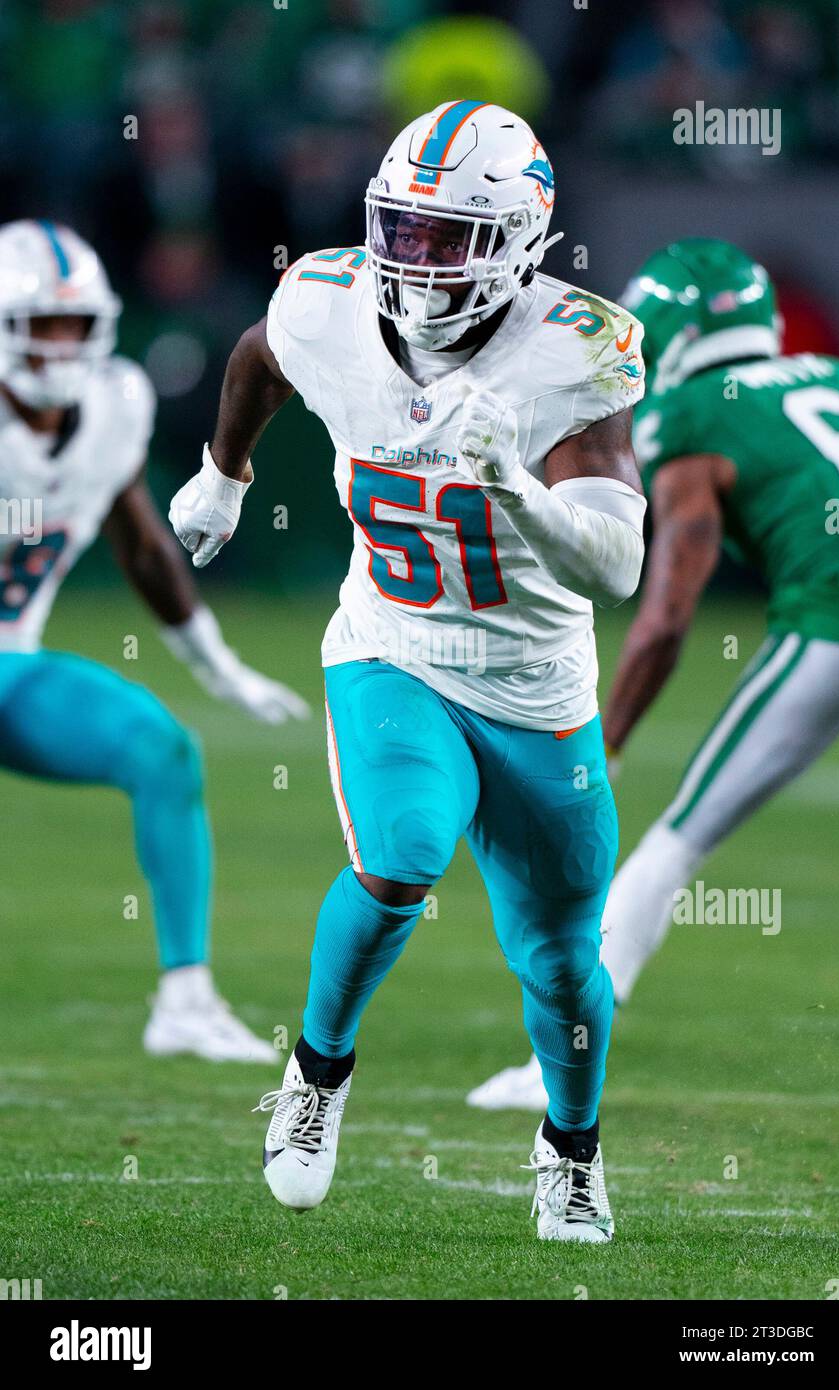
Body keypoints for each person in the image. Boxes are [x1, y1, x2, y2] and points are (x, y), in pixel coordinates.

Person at [170, 101, 647, 1241]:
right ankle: (315, 1079)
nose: (417, 261)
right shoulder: (328, 302)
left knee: (565, 965)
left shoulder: (571, 351)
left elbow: (620, 565)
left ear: (523, 239)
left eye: (450, 238)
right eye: (405, 228)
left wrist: (518, 488)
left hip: (536, 688)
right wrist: (224, 475)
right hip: (394, 646)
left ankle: (570, 1150)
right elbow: (257, 357)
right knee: (400, 858)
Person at [467, 238, 839, 1114]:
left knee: (677, 838)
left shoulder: (692, 414)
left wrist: (599, 742)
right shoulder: (838, 380)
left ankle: (553, 1066)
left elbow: (666, 615)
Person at [0, 218, 310, 1064]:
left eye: (75, 326)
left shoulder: (112, 405)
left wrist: (219, 666)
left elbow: (138, 542)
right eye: (41, 326)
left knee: (160, 749)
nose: (61, 349)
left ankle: (184, 1000)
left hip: (10, 664)